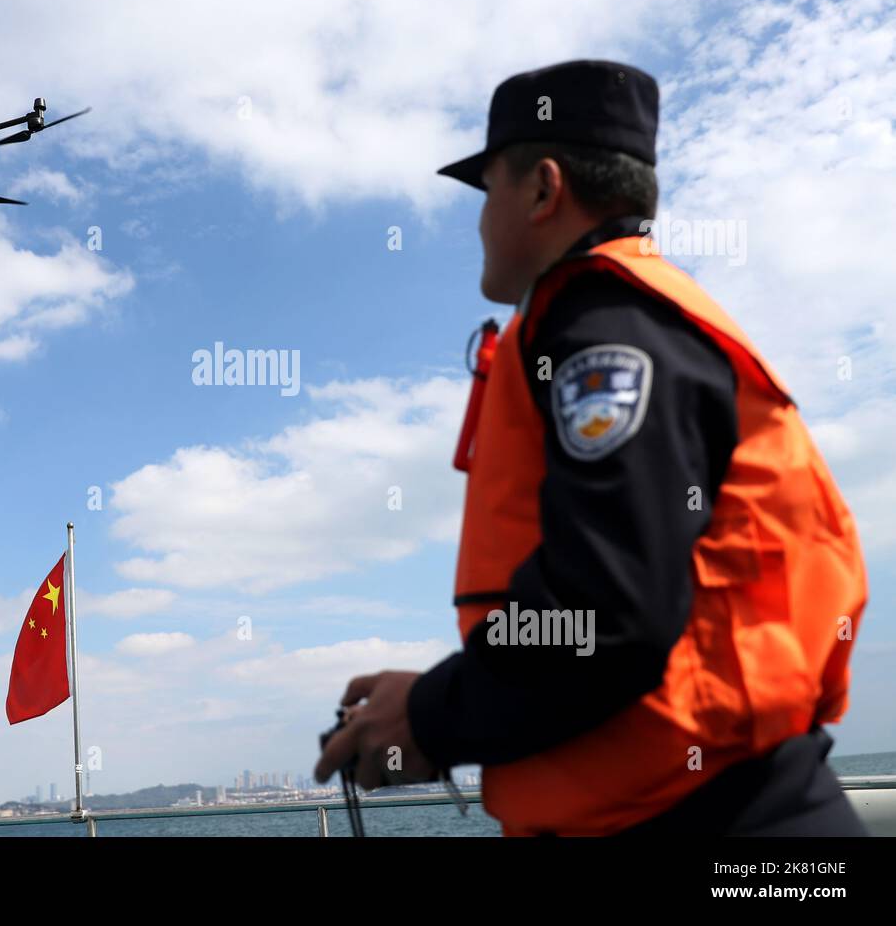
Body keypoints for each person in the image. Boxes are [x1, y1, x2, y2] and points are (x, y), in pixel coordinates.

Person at [314, 60, 869, 836]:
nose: (476, 222)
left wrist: (431, 715)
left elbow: (607, 608)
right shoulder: (631, 318)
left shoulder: (600, 326)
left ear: (543, 190)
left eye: (488, 191)